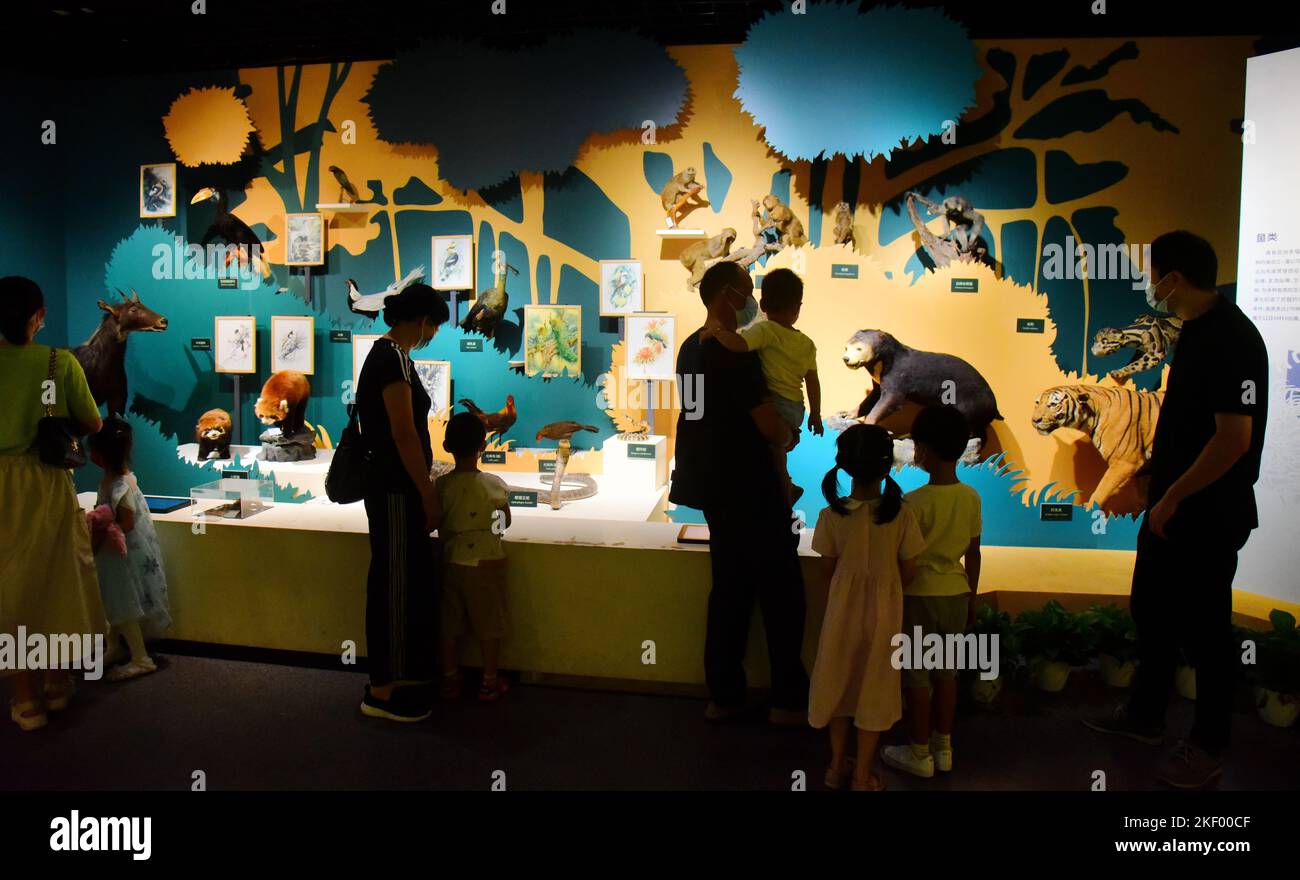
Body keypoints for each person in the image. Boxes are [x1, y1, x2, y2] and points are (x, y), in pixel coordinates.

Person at [1084, 230, 1268, 789]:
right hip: (1172, 509)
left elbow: (1232, 439)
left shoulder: (1233, 338)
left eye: (1153, 271)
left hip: (1207, 514)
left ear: (1175, 277)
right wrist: (1154, 485)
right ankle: (1145, 716)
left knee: (1207, 630)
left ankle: (1208, 745)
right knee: (1154, 612)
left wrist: (1174, 495)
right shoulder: (1194, 332)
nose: (1148, 283)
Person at [669, 261, 810, 724]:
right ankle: (789, 699)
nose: (753, 302)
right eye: (748, 292)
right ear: (728, 294)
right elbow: (767, 422)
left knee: (728, 588)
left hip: (713, 488)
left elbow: (694, 414)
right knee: (782, 591)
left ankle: (724, 694)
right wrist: (788, 436)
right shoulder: (739, 353)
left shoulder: (689, 349)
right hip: (752, 485)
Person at [0, 275, 107, 731]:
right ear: (38, 316)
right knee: (56, 576)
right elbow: (92, 422)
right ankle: (57, 682)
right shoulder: (57, 363)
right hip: (44, 481)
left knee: (11, 585)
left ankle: (25, 698)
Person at [810, 424, 925, 791]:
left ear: (843, 465)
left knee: (838, 682)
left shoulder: (832, 515)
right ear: (887, 465)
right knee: (874, 688)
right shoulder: (902, 515)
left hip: (842, 613)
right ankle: (861, 775)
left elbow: (826, 569)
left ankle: (833, 767)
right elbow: (909, 569)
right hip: (884, 617)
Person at [356, 283, 449, 722]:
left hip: (397, 485)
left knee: (398, 577)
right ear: (421, 320)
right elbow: (403, 432)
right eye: (432, 326)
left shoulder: (393, 357)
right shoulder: (390, 358)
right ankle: (381, 691)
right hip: (394, 487)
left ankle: (395, 678)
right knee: (391, 582)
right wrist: (426, 491)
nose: (430, 334)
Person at [880, 405, 982, 779]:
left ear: (924, 448)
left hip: (919, 599)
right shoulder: (971, 497)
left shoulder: (914, 503)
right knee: (947, 674)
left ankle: (919, 752)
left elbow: (902, 560)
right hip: (956, 596)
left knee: (918, 678)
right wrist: (971, 596)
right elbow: (974, 552)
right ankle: (944, 748)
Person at [702, 267, 822, 503]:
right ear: (797, 309)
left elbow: (739, 344)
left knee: (774, 448)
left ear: (763, 305)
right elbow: (813, 380)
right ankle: (786, 483)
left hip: (775, 404)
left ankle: (784, 485)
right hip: (797, 408)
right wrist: (816, 414)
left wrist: (716, 331)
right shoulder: (807, 343)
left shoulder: (765, 330)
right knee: (778, 448)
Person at [434, 411, 512, 703]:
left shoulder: (441, 485)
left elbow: (437, 518)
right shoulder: (493, 484)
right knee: (488, 623)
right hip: (485, 562)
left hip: (452, 560)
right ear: (483, 446)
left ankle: (450, 679)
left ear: (447, 446)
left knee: (449, 624)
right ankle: (489, 681)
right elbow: (504, 522)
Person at [88, 416, 172, 681]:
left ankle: (140, 657)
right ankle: (114, 647)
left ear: (101, 455)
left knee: (123, 606)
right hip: (115, 555)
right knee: (112, 602)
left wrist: (101, 521)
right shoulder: (117, 480)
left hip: (121, 557)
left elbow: (126, 521)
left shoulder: (120, 486)